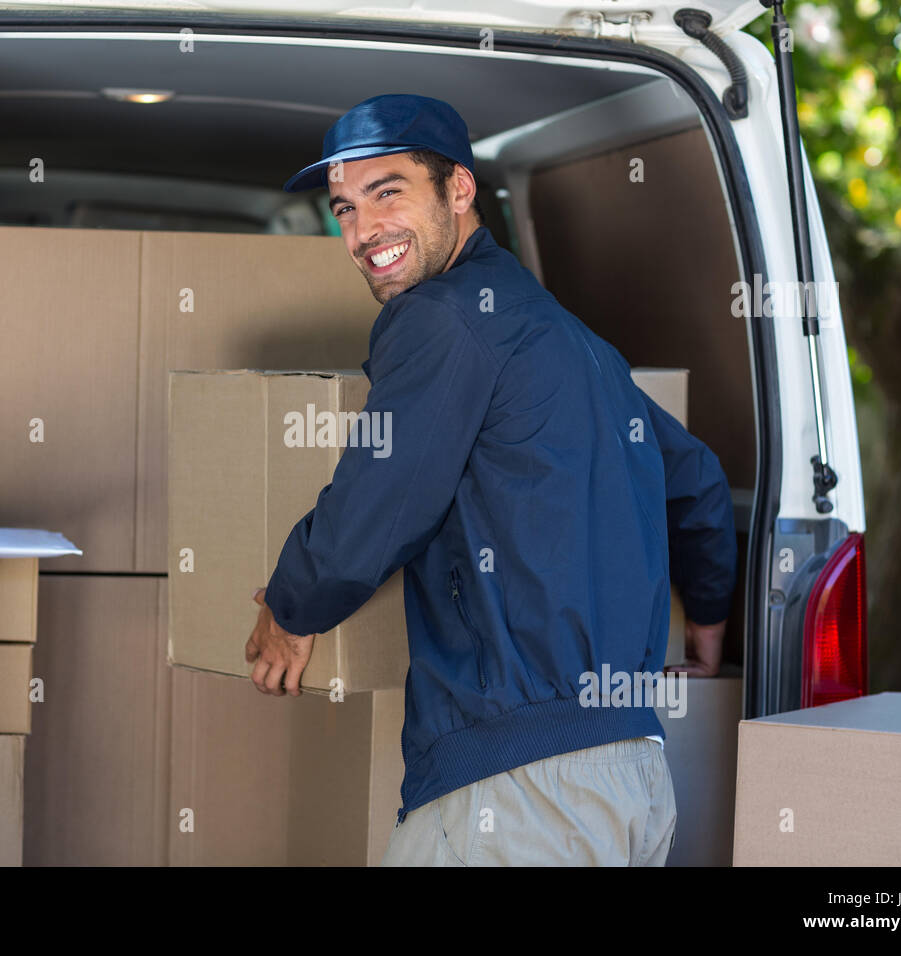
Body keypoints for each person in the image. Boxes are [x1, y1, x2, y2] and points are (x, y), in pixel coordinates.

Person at [245, 93, 736, 866]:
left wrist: (291, 603)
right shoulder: (574, 346)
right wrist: (708, 626)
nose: (363, 231)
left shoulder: (439, 317)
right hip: (635, 783)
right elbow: (700, 483)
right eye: (343, 209)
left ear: (460, 189)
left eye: (388, 193)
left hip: (518, 795)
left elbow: (382, 497)